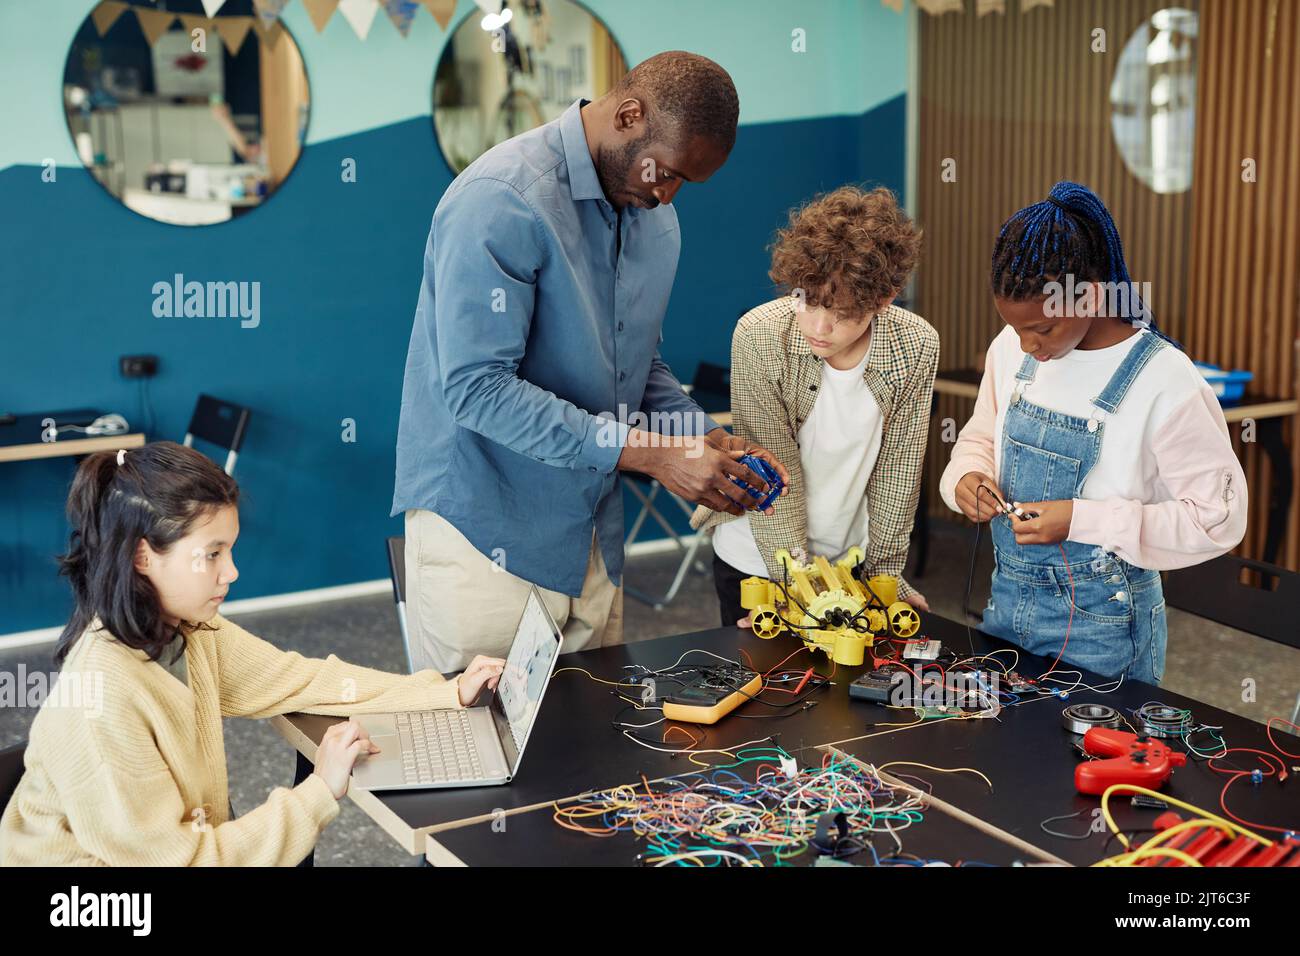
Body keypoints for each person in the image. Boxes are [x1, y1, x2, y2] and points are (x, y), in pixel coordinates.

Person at [392, 51, 787, 673]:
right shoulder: (500, 200)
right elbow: (477, 390)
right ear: (628, 115)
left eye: (686, 184)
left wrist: (700, 437)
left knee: (593, 753)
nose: (667, 196)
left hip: (591, 534)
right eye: (669, 172)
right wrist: (655, 456)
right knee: (481, 755)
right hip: (485, 530)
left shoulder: (655, 220)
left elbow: (636, 365)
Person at [0, 442, 504, 866]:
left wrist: (442, 692)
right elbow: (186, 862)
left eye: (231, 550)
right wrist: (317, 793)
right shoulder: (102, 700)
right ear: (142, 557)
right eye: (212, 554)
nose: (232, 573)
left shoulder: (190, 632)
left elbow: (300, 680)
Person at [940, 181, 1247, 683]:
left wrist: (1082, 521)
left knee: (1088, 757)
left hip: (1104, 632)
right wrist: (965, 479)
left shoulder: (1163, 380)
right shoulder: (1012, 351)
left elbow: (1218, 519)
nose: (1028, 345)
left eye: (1043, 330)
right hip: (1006, 612)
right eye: (1016, 328)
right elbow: (978, 440)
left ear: (1092, 295)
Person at [693, 186, 938, 626]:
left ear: (883, 299)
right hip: (758, 560)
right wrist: (795, 590)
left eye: (842, 313)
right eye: (807, 301)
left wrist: (885, 573)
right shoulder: (760, 335)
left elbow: (898, 471)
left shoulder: (916, 345)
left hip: (849, 558)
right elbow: (771, 471)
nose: (819, 327)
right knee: (765, 685)